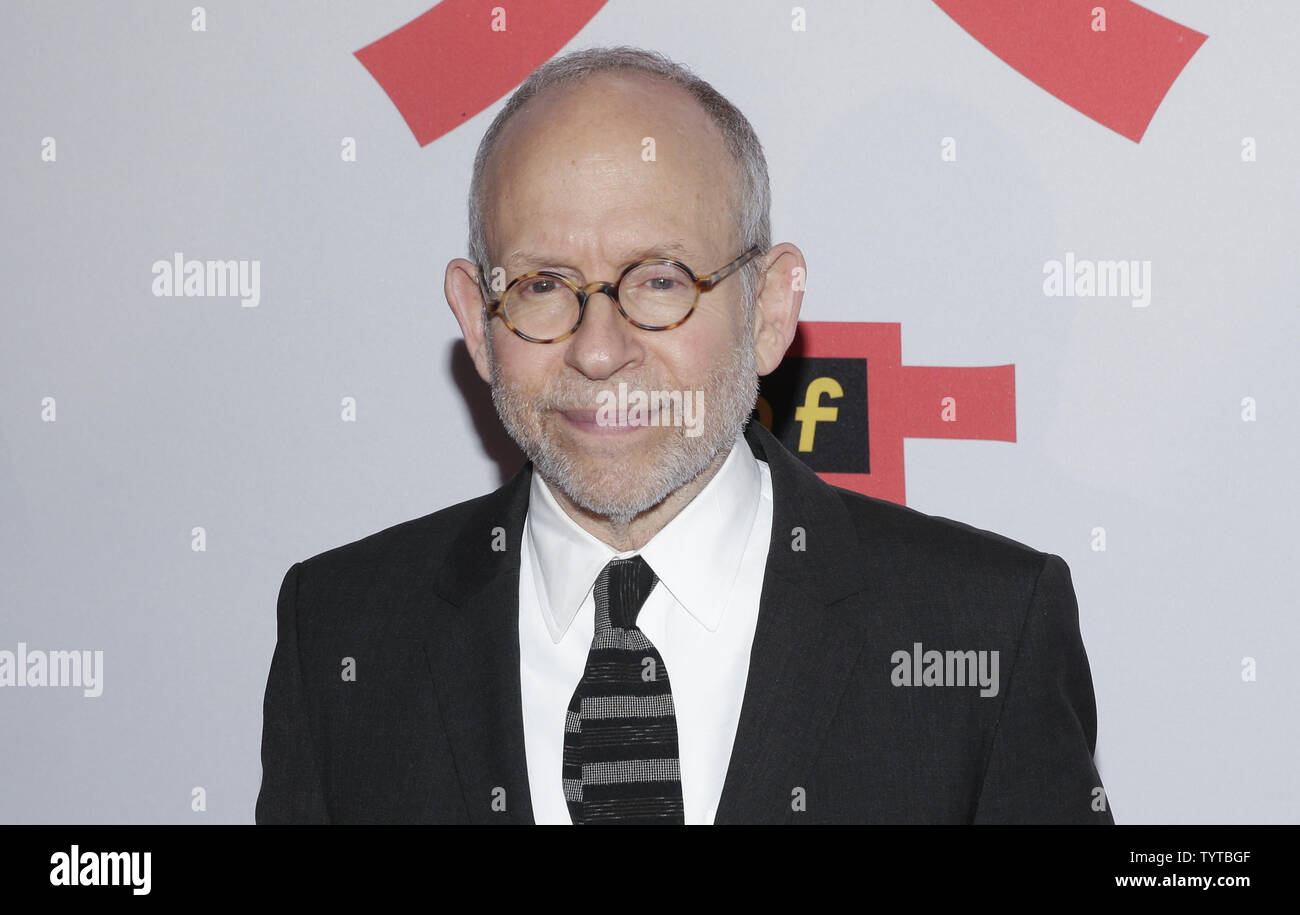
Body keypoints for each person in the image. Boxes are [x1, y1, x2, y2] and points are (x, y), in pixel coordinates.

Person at [255, 46, 1113, 824]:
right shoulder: (342, 637)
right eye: (544, 285)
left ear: (771, 310)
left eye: (658, 280)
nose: (597, 350)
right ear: (478, 323)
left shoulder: (986, 634)